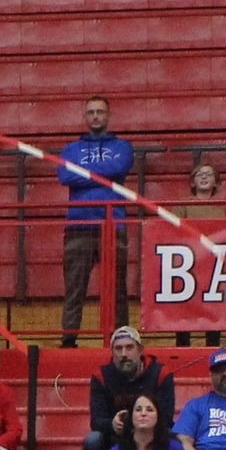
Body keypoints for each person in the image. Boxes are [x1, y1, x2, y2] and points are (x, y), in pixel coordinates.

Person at [57, 94, 135, 345]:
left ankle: (120, 337)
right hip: (79, 226)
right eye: (90, 112)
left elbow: (119, 168)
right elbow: (65, 176)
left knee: (117, 288)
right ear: (85, 116)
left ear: (107, 115)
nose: (95, 116)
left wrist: (83, 173)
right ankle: (69, 339)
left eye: (100, 112)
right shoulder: (71, 148)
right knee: (74, 287)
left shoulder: (122, 146)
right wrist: (101, 176)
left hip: (114, 225)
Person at [85, 326, 174, 450]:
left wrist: (142, 424)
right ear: (112, 352)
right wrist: (112, 424)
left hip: (152, 434)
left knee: (175, 440)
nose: (123, 354)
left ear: (140, 350)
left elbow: (167, 417)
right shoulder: (101, 376)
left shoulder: (161, 373)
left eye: (129, 347)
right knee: (92, 441)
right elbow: (96, 421)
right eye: (118, 349)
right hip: (115, 437)